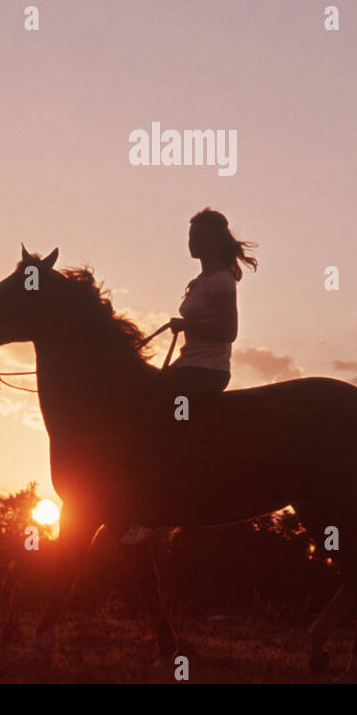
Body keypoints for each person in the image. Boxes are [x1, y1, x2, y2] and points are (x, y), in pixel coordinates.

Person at [121, 209, 257, 546]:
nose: (192, 242)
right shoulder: (200, 282)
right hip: (188, 365)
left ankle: (152, 516)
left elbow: (229, 331)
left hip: (207, 372)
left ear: (213, 243)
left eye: (198, 237)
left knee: (157, 421)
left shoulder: (223, 281)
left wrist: (188, 325)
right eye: (190, 236)